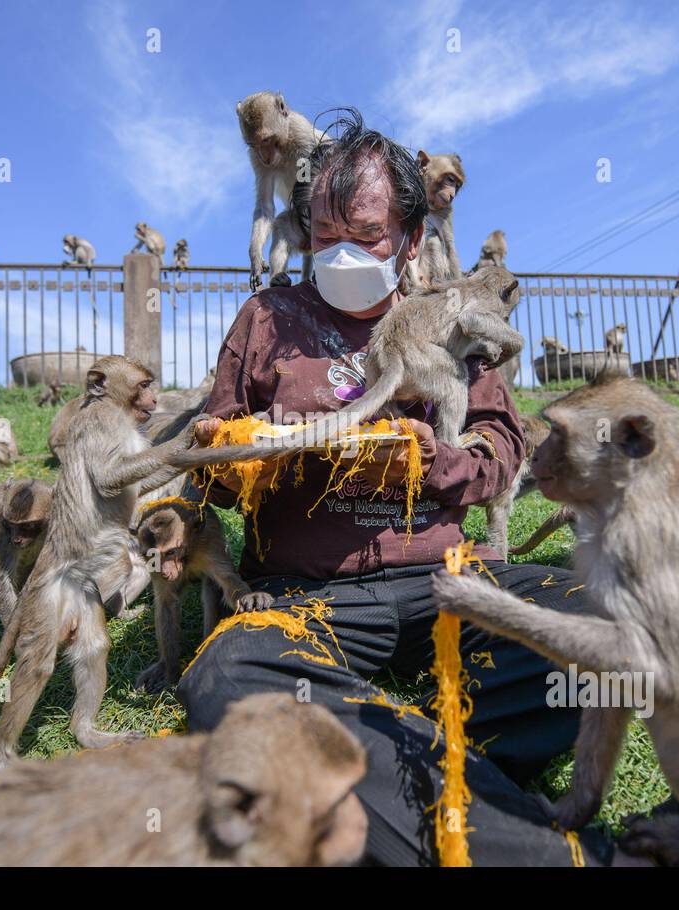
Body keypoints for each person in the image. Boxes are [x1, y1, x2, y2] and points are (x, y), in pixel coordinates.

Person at [183, 110, 629, 866]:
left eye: (366, 235)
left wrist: (439, 460)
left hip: (447, 581)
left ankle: (380, 746)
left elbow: (500, 445)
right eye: (324, 235)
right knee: (228, 679)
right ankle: (526, 830)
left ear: (412, 243)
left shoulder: (452, 317)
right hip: (304, 597)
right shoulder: (267, 318)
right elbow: (214, 459)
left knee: (610, 624)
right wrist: (254, 453)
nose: (340, 253)